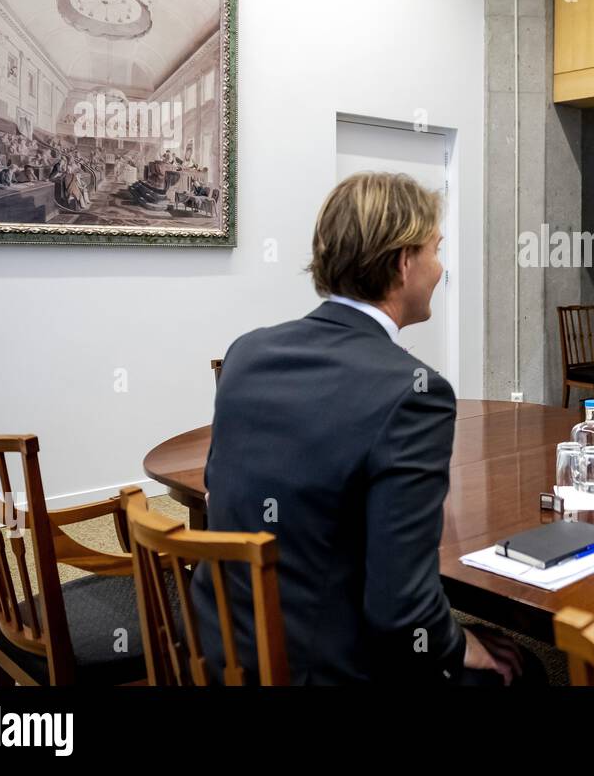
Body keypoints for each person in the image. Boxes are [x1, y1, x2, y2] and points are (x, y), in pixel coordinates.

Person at [191, 171, 530, 685]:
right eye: (436, 251)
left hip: (220, 646)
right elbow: (402, 610)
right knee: (517, 667)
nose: (441, 269)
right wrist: (465, 648)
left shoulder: (248, 351)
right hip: (317, 670)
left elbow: (221, 492)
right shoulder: (415, 393)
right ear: (403, 262)